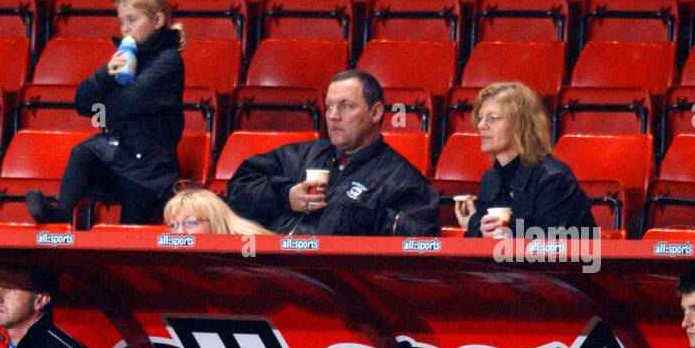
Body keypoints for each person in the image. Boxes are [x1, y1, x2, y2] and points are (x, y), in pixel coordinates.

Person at [26, 0, 185, 225]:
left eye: (132, 19)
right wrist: (105, 75)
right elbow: (82, 103)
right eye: (121, 22)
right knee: (84, 153)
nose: (125, 29)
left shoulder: (169, 60)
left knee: (128, 242)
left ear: (158, 20)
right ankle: (61, 213)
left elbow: (128, 102)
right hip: (120, 156)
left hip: (150, 171)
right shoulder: (127, 59)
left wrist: (103, 105)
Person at [225, 69, 440, 237]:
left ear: (375, 113)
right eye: (329, 107)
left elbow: (420, 238)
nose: (333, 116)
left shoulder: (401, 179)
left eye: (346, 106)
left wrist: (360, 215)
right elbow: (237, 188)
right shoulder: (303, 154)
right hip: (272, 267)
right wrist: (285, 196)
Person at [455, 81, 595, 238]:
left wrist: (510, 240)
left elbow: (552, 251)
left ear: (520, 125)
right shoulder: (490, 179)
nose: (481, 125)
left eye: (493, 118)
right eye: (480, 118)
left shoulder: (554, 179)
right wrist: (476, 225)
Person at [164, 187, 273, 235]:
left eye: (191, 222)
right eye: (173, 225)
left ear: (215, 221)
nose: (180, 233)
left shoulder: (253, 248)